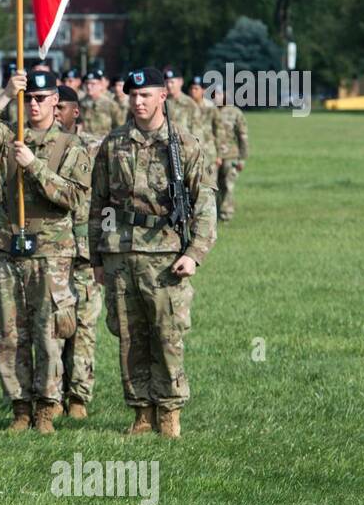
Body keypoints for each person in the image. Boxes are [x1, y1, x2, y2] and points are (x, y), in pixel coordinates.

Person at [88, 68, 217, 438]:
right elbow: (98, 205)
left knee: (167, 333)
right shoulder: (113, 145)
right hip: (120, 253)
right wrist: (97, 257)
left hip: (165, 256)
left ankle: (170, 410)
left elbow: (205, 203)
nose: (138, 102)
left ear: (163, 96)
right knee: (129, 335)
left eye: (146, 95)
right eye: (133, 96)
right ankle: (141, 411)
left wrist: (194, 252)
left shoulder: (185, 145)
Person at [0, 70, 91, 433]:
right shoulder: (6, 136)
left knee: (48, 330)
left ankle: (47, 408)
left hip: (49, 249)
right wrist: (3, 97)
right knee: (8, 330)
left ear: (55, 102)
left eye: (41, 98)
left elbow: (74, 196)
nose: (33, 105)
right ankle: (20, 407)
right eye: (28, 98)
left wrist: (33, 166)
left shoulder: (70, 145)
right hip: (7, 245)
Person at [56, 84, 104, 418]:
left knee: (85, 326)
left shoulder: (96, 147)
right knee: (55, 325)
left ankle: (78, 397)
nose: (55, 112)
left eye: (63, 107)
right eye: (52, 106)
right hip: (51, 250)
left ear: (76, 112)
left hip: (86, 251)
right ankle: (52, 395)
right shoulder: (36, 146)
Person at [213, 91, 249, 222]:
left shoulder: (235, 112)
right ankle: (212, 214)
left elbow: (243, 136)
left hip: (230, 155)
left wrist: (242, 158)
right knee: (212, 186)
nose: (216, 97)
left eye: (218, 94)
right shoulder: (209, 110)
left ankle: (225, 214)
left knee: (228, 186)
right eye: (213, 94)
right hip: (212, 155)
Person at [79, 70, 122, 138]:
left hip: (103, 143)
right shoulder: (81, 103)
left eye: (93, 84)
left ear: (100, 85)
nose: (89, 87)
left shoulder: (109, 103)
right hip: (84, 141)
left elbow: (119, 125)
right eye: (87, 83)